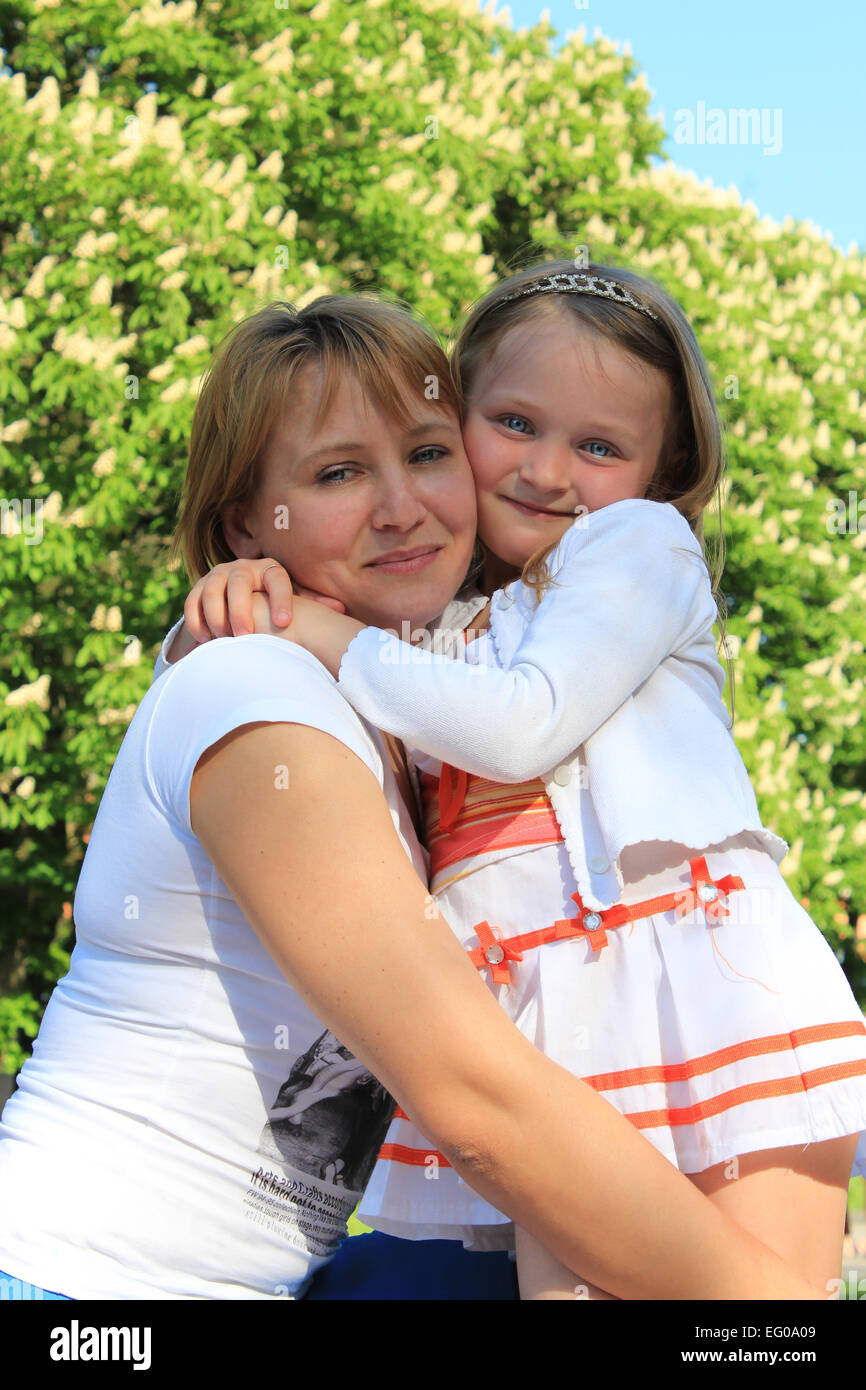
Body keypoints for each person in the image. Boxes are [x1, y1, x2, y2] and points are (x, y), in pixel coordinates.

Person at [0, 293, 823, 1302]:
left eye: (428, 454)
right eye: (338, 473)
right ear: (244, 523)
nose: (403, 506)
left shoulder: (411, 700)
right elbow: (470, 1098)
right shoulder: (256, 692)